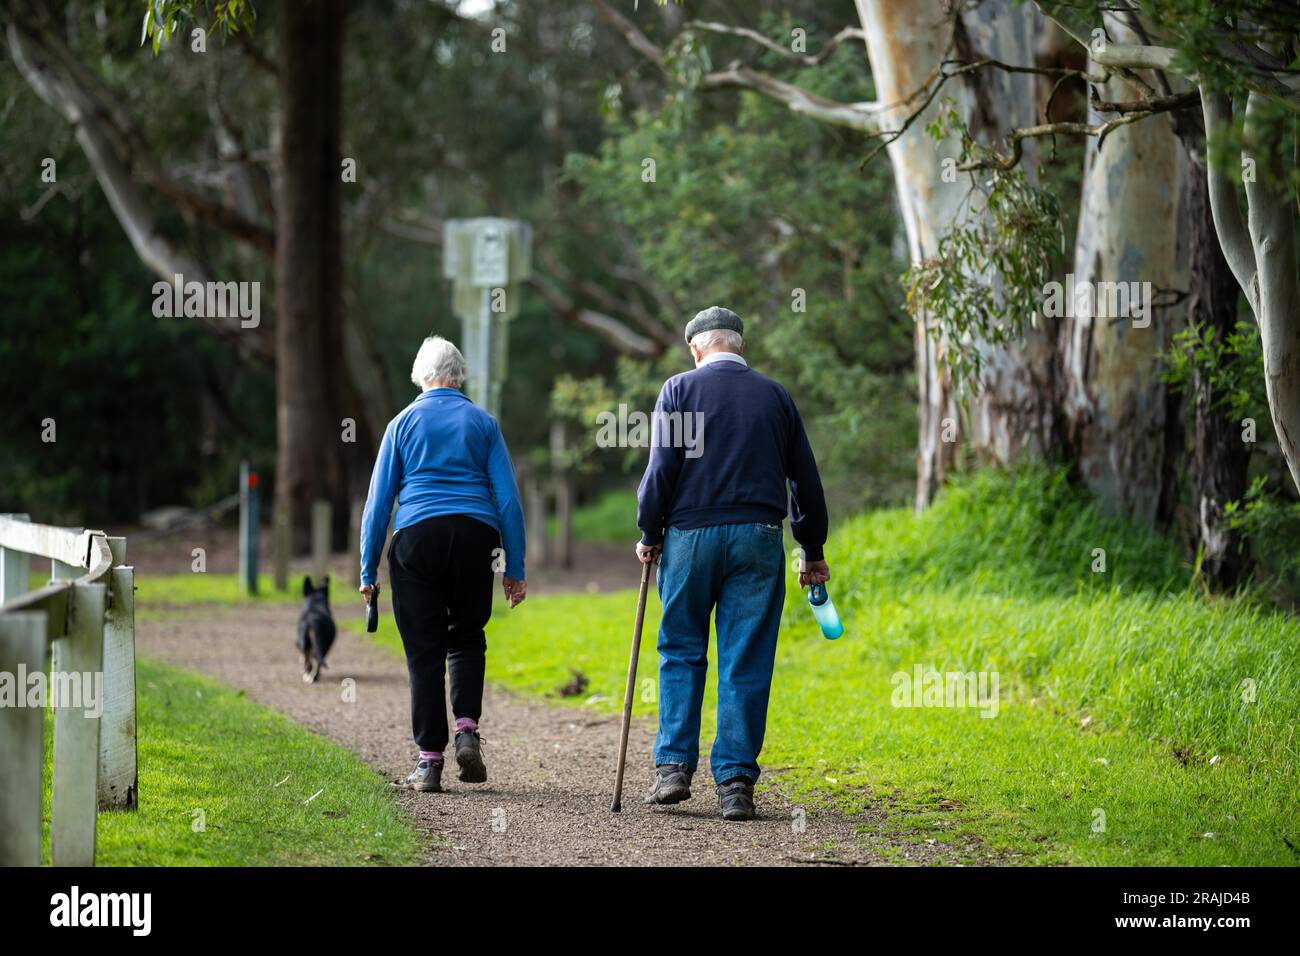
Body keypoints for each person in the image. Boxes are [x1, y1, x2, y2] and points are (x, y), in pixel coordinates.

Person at [635, 306, 830, 821]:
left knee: (681, 648)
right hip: (758, 538)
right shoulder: (775, 396)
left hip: (690, 537)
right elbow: (805, 483)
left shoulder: (679, 390)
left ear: (696, 349)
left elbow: (660, 471)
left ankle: (674, 769)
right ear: (739, 346)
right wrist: (812, 549)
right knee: (746, 656)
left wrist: (649, 531)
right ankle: (736, 785)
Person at [359, 335, 526, 793]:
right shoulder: (484, 423)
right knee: (468, 636)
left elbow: (377, 505)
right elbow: (509, 500)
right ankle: (467, 730)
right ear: (459, 377)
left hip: (417, 538)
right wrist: (516, 567)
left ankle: (429, 762)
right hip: (477, 537)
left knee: (425, 651)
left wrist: (367, 571)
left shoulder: (401, 424)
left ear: (421, 376)